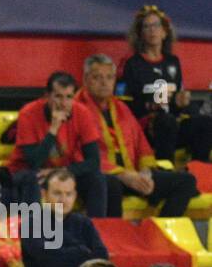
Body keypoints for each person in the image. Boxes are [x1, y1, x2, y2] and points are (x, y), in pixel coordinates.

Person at [78, 54, 200, 221]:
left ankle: (159, 231)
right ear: (85, 79)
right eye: (97, 77)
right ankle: (114, 241)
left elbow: (141, 144)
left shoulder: (121, 108)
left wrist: (146, 172)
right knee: (109, 185)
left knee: (186, 181)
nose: (104, 82)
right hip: (104, 177)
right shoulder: (76, 109)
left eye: (109, 77)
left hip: (133, 175)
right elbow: (80, 155)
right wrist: (122, 174)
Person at [6, 71, 107, 220]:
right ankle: (33, 234)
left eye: (69, 97)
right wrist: (53, 129)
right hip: (28, 170)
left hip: (62, 171)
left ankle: (98, 230)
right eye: (58, 96)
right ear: (47, 96)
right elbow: (34, 162)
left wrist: (60, 171)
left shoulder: (82, 113)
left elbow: (94, 161)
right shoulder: (28, 113)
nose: (63, 103)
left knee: (98, 179)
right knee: (31, 179)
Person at [118, 5, 212, 163]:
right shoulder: (132, 64)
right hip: (147, 127)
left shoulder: (172, 62)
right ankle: (165, 171)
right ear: (140, 33)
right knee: (165, 122)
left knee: (205, 123)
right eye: (146, 27)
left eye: (156, 25)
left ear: (164, 31)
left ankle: (199, 169)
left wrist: (180, 102)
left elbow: (174, 104)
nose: (152, 30)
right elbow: (127, 104)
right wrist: (151, 105)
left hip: (173, 123)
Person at [20, 170, 109, 267]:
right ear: (44, 194)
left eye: (68, 194)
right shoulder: (31, 224)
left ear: (75, 196)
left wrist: (65, 253)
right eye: (57, 193)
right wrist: (82, 251)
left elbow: (102, 257)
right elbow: (47, 259)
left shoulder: (84, 223)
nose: (63, 200)